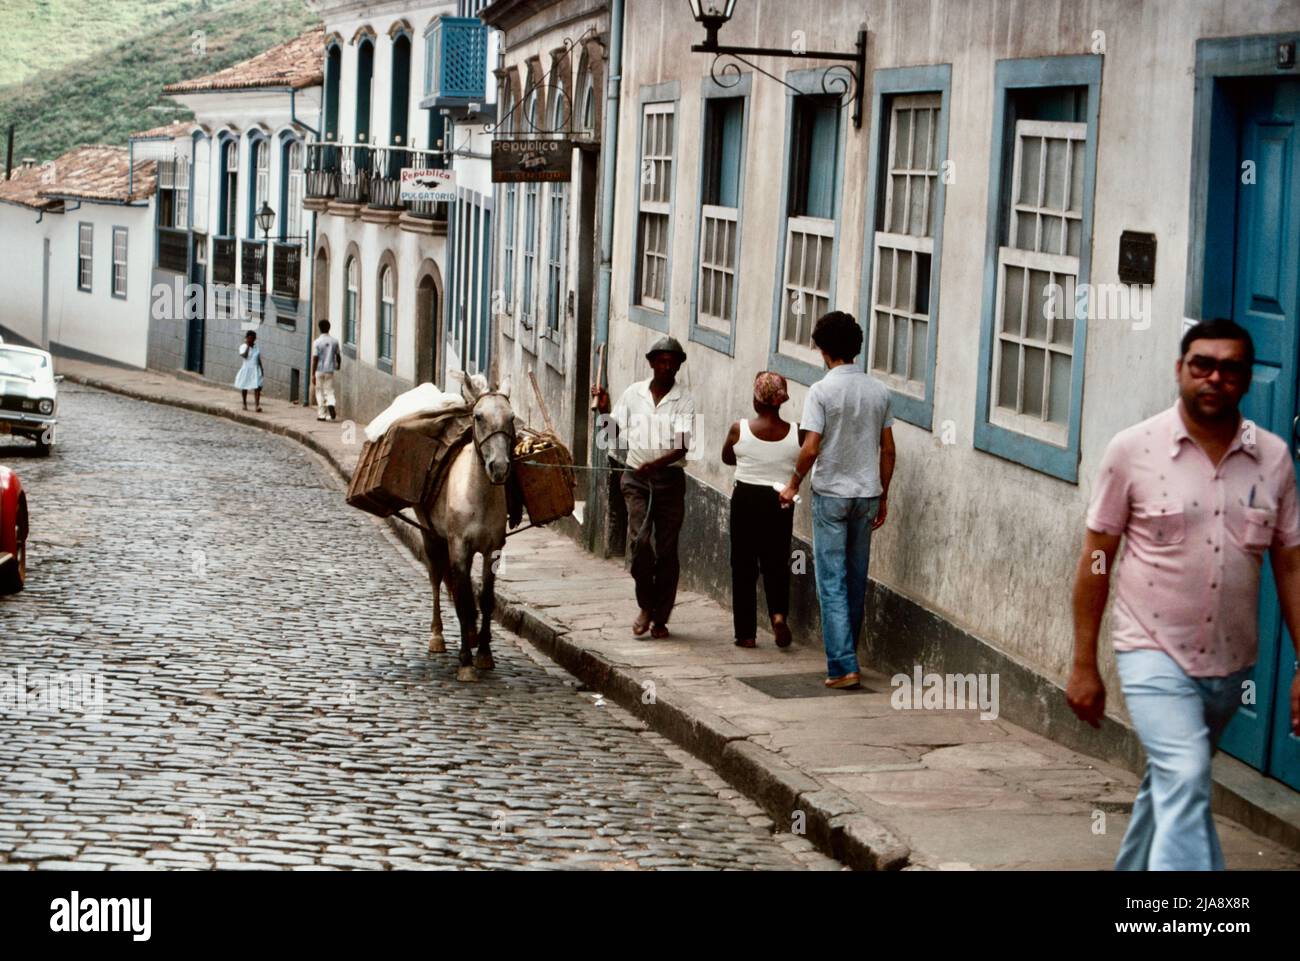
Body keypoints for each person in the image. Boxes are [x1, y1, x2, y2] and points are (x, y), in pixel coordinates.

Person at [1068, 318, 1300, 871]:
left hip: (1229, 663)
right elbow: (1097, 558)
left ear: (1246, 379)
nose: (1214, 377)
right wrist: (1083, 662)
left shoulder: (1272, 459)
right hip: (1150, 649)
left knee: (1174, 781)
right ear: (1180, 370)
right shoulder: (1132, 449)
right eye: (1203, 365)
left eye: (1230, 368)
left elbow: (1290, 565)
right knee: (1188, 773)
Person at [780, 311, 895, 689]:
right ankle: (849, 656)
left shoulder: (821, 391)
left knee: (831, 581)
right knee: (855, 579)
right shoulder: (879, 391)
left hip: (831, 496)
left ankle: (843, 665)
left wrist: (794, 482)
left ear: (824, 350)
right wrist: (884, 493)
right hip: (866, 493)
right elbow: (888, 450)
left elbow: (811, 447)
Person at [591, 336, 695, 639]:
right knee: (640, 546)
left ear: (678, 366)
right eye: (661, 361)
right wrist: (604, 412)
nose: (667, 367)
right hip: (636, 480)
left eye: (672, 362)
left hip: (670, 481)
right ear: (651, 363)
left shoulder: (684, 400)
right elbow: (612, 435)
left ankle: (661, 617)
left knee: (666, 551)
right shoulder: (633, 394)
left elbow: (683, 447)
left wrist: (657, 464)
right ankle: (645, 606)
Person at [722, 371, 802, 648]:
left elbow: (727, 457)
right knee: (777, 562)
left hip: (745, 497)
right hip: (779, 499)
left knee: (743, 565)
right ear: (780, 402)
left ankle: (746, 634)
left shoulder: (739, 429)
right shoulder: (796, 433)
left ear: (756, 402)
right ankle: (778, 616)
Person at [311, 319, 342, 421]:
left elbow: (315, 358)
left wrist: (312, 373)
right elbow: (338, 355)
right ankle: (331, 403)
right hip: (330, 369)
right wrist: (338, 365)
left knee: (319, 391)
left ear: (319, 329)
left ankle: (322, 414)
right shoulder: (334, 341)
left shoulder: (317, 342)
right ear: (329, 328)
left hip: (319, 370)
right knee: (329, 390)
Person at [235, 329, 264, 412]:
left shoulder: (256, 347)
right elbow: (244, 356)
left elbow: (258, 358)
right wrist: (248, 346)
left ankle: (257, 405)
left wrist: (261, 368)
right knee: (245, 386)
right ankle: (244, 403)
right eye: (250, 338)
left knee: (257, 387)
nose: (252, 340)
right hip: (246, 369)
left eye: (253, 338)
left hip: (255, 368)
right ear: (247, 338)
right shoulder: (243, 346)